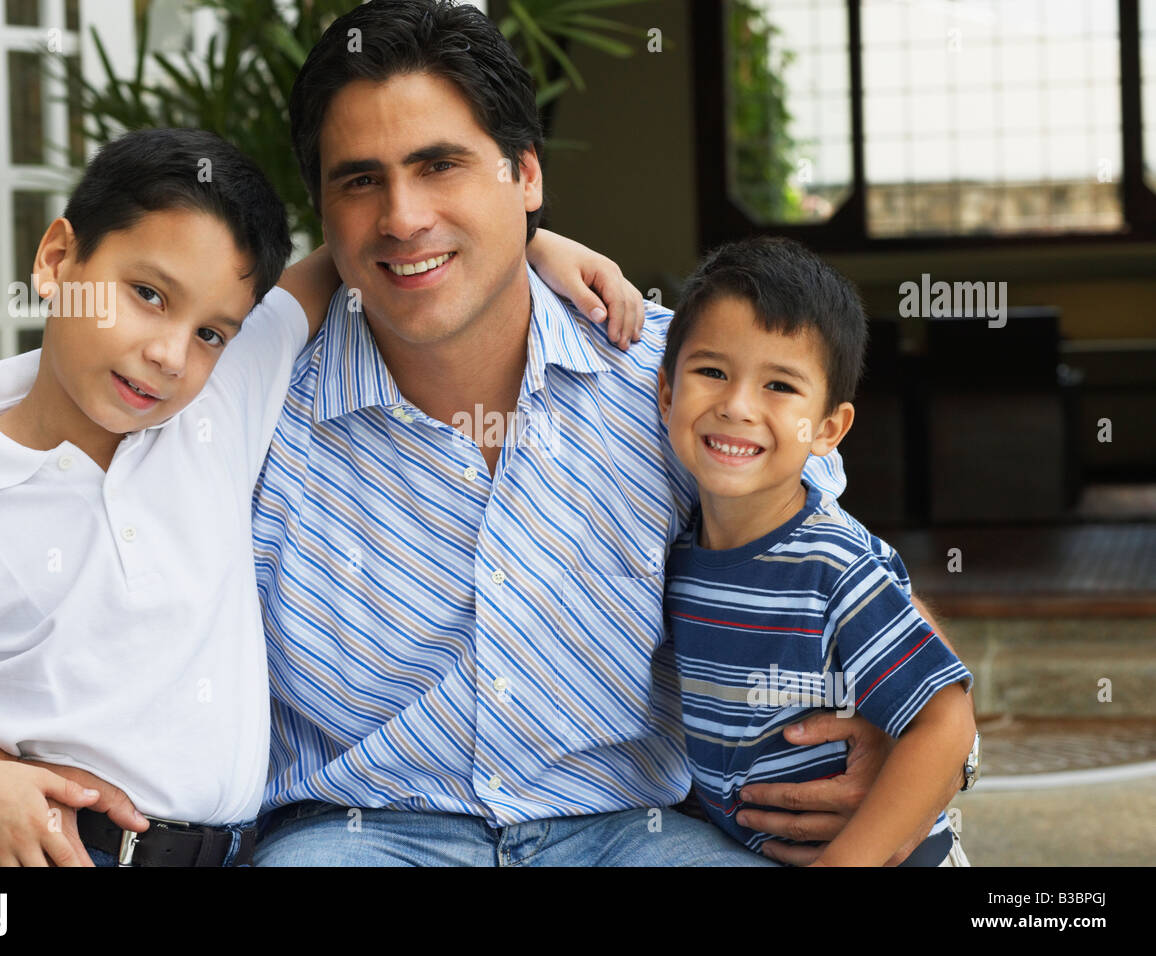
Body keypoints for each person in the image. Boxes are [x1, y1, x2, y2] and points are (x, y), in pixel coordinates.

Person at [245, 0, 967, 866]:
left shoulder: (679, 386)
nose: (402, 216)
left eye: (441, 165)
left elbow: (843, 578)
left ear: (527, 176)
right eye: (359, 181)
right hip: (361, 833)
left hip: (635, 833)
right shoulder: (254, 418)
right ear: (322, 209)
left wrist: (922, 751)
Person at [0, 125, 637, 867]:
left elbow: (359, 255)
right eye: (147, 295)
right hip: (52, 848)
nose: (167, 355)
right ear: (58, 258)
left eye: (211, 333)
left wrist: (527, 241)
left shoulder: (215, 410)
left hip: (231, 850)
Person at [656, 237, 976, 866]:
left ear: (828, 429)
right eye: (712, 371)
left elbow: (946, 723)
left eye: (779, 384)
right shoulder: (676, 555)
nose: (737, 405)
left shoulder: (832, 566)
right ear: (666, 392)